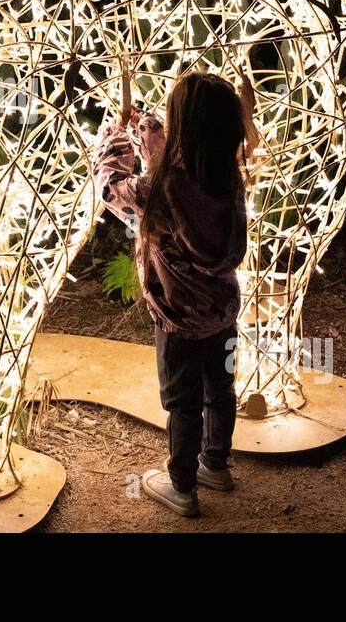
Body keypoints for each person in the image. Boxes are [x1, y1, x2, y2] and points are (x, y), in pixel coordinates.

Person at [93, 70, 256, 517]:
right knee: (220, 388)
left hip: (178, 318)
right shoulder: (228, 173)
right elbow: (185, 168)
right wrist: (147, 130)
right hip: (221, 312)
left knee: (182, 402)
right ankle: (215, 465)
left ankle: (182, 486)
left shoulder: (162, 186)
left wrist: (117, 132)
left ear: (182, 126)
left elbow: (109, 187)